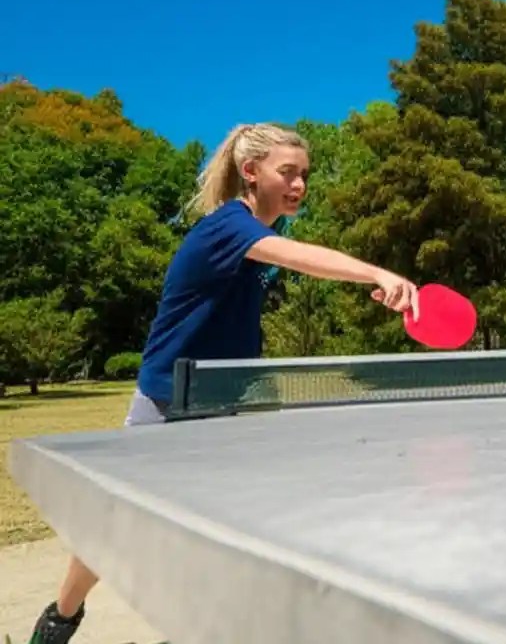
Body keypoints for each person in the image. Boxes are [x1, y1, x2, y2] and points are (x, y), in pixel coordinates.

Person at [28, 123, 422, 644]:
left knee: (236, 517)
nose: (300, 184)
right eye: (288, 173)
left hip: (222, 400)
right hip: (170, 395)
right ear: (251, 172)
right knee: (113, 525)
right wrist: (376, 274)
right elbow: (300, 258)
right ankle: (60, 620)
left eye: (304, 174)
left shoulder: (264, 233)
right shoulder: (229, 227)